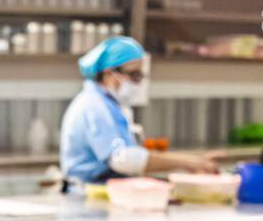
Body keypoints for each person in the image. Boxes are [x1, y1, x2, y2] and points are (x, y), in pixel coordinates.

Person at [59, 35, 217, 184]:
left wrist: (192, 161)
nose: (138, 82)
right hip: (89, 194)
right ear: (109, 73)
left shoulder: (108, 104)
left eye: (140, 75)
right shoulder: (94, 106)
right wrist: (187, 163)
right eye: (134, 75)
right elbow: (122, 159)